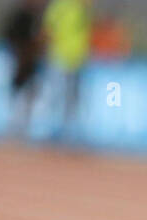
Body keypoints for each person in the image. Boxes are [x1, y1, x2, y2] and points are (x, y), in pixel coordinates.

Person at [42, 0, 92, 142]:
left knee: (72, 99)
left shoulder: (82, 8)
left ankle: (68, 133)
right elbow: (48, 29)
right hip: (59, 57)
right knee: (55, 95)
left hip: (77, 59)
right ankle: (50, 129)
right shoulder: (61, 6)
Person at [0, 0, 46, 140]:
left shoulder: (38, 17)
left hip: (31, 62)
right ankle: (12, 126)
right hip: (18, 60)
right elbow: (9, 35)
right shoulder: (21, 17)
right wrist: (20, 50)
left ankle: (23, 127)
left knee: (30, 94)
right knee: (17, 91)